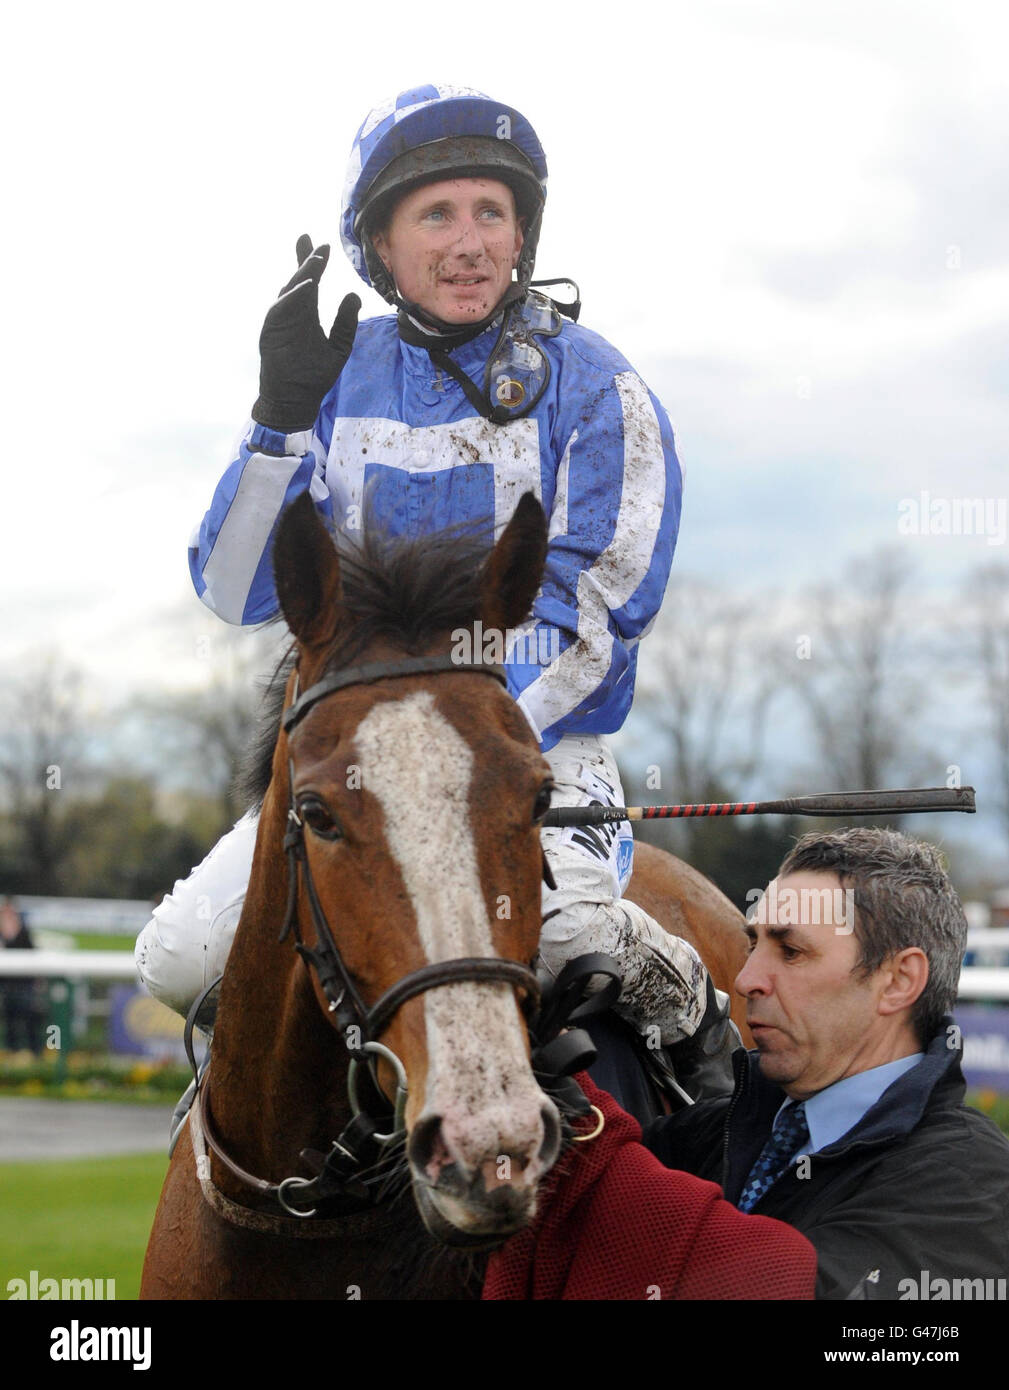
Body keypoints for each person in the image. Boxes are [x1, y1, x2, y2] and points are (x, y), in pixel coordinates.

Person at [136, 85, 722, 1096]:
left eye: (491, 212)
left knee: (555, 938)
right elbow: (234, 592)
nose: (468, 243)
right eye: (436, 215)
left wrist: (449, 749)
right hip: (353, 763)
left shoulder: (600, 387)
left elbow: (594, 615)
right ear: (380, 244)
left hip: (528, 751)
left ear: (522, 234)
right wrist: (279, 419)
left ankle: (673, 990)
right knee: (180, 957)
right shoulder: (332, 379)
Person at [637, 827, 1009, 1299]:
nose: (746, 979)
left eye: (790, 951)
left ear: (899, 980)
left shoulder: (970, 1183)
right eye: (754, 946)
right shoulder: (713, 1130)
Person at [0, 895, 42, 1054]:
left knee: (29, 1018)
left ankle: (35, 1051)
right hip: (7, 986)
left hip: (24, 985)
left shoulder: (24, 932)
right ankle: (12, 1051)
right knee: (10, 1020)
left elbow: (32, 956)